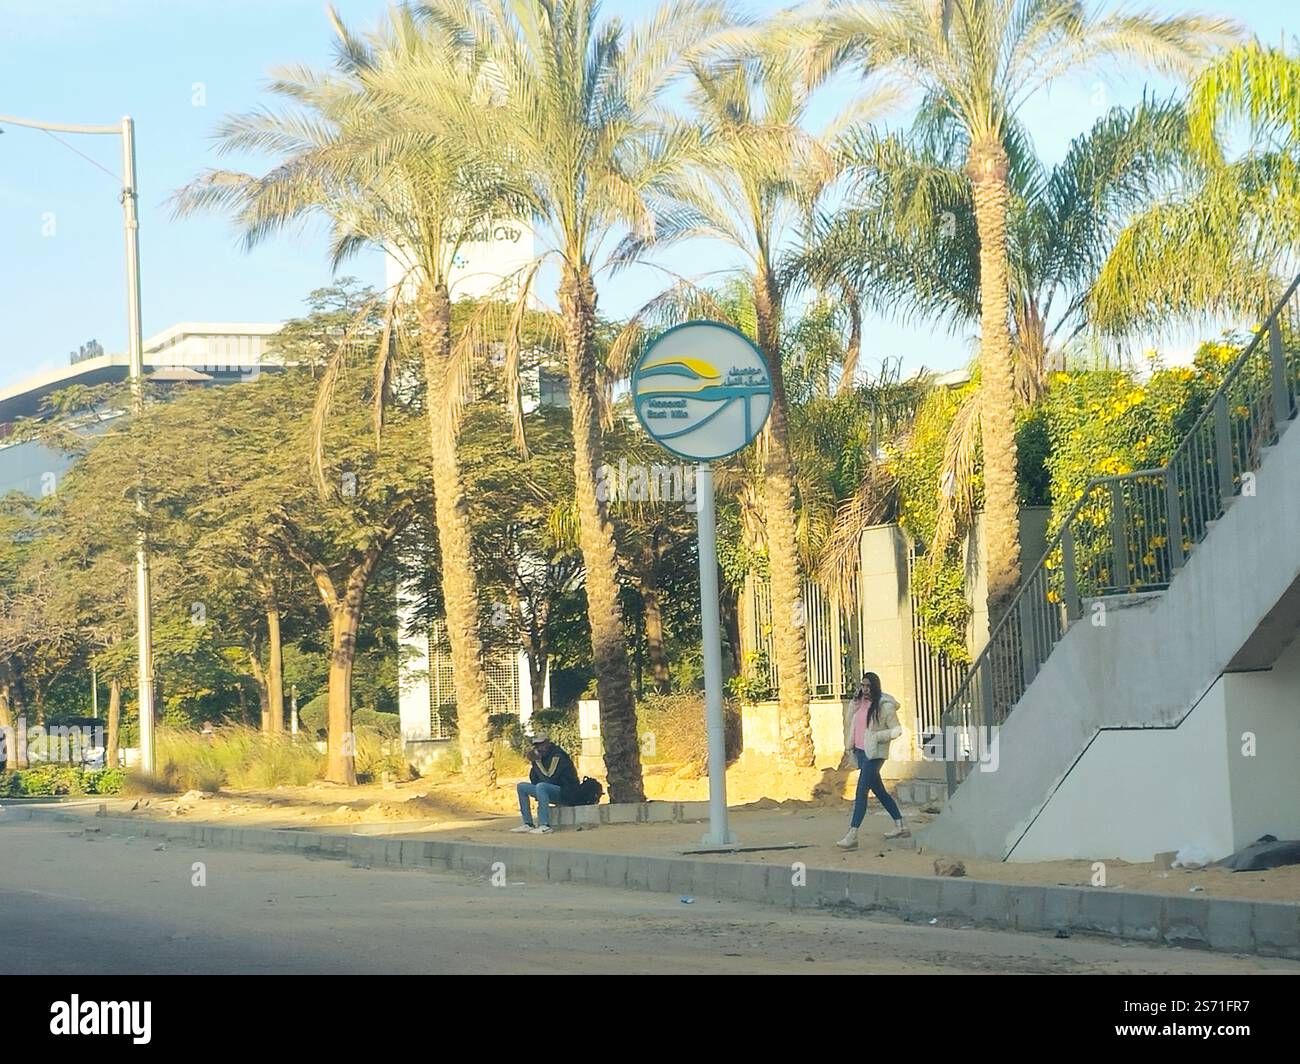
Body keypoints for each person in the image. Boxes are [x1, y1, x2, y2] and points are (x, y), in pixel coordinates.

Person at [836, 671, 909, 849]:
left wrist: (876, 737)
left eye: (868, 686)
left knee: (861, 791)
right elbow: (849, 722)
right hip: (860, 752)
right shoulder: (860, 703)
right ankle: (901, 825)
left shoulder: (885, 706)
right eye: (863, 685)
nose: (865, 689)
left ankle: (852, 834)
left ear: (875, 686)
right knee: (879, 791)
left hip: (875, 754)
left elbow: (897, 730)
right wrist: (854, 703)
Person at [512, 732, 580, 834]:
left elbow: (549, 778)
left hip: (566, 792)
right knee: (521, 787)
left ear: (547, 743)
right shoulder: (541, 757)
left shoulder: (557, 755)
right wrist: (534, 763)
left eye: (541, 744)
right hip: (549, 790)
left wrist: (538, 762)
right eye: (536, 745)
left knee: (541, 786)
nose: (539, 748)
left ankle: (545, 824)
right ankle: (528, 823)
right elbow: (534, 779)